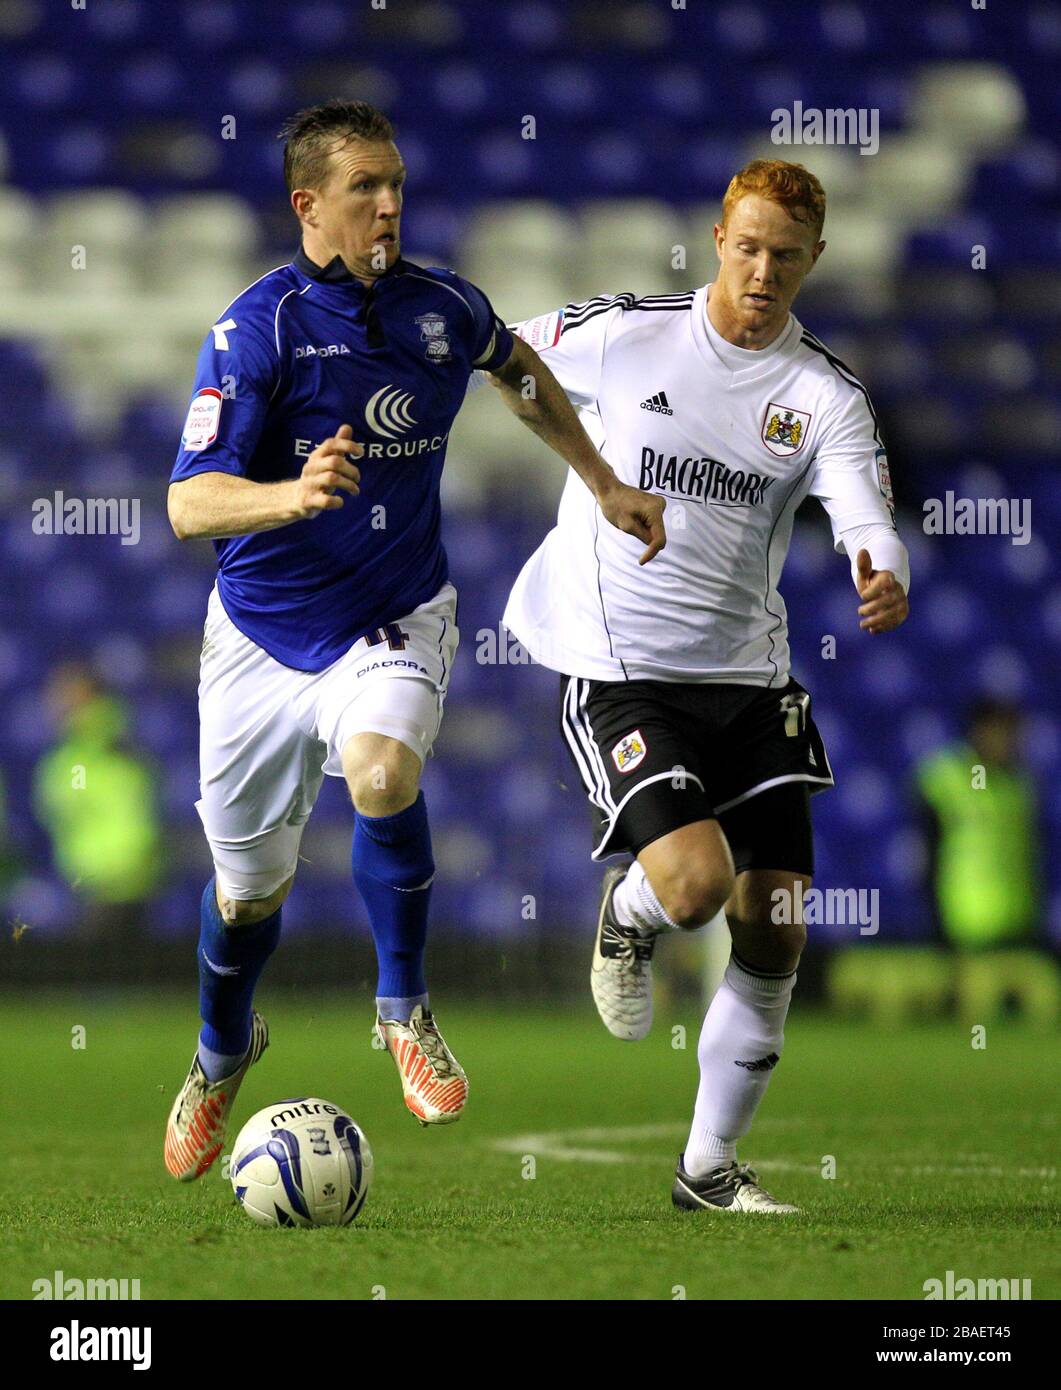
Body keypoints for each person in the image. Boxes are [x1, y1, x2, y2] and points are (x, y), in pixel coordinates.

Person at [163, 99, 665, 1182]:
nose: (390, 204)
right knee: (247, 894)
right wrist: (290, 495)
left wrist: (603, 480)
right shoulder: (256, 329)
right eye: (364, 189)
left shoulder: (444, 306)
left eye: (395, 183)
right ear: (308, 205)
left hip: (392, 615)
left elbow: (518, 367)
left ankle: (401, 1008)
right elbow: (188, 506)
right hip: (258, 634)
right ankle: (220, 1052)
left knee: (381, 771)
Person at [501, 159, 910, 1214]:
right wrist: (592, 475)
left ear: (812, 260)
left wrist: (881, 563)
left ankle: (705, 1170)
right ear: (717, 239)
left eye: (784, 253)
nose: (762, 268)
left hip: (749, 680)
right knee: (691, 889)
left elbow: (862, 508)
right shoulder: (628, 331)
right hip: (621, 669)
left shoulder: (820, 393)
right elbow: (501, 355)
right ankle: (626, 915)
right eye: (746, 245)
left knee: (772, 922)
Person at [33, 664, 161, 941]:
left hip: (105, 876)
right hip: (121, 875)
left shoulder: (82, 756)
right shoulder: (108, 745)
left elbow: (75, 794)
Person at [915, 698, 1042, 950]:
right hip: (962, 919)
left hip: (1018, 920)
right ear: (979, 730)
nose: (1008, 741)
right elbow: (926, 850)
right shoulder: (944, 778)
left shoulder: (1019, 785)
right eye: (1000, 731)